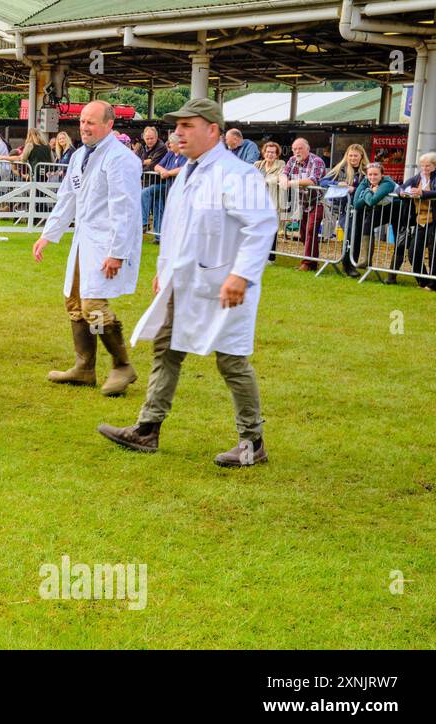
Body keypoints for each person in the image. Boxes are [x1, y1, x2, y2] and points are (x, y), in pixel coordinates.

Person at [98, 98, 277, 467]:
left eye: (187, 126)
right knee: (166, 348)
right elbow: (177, 229)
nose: (177, 133)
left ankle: (252, 442)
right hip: (186, 282)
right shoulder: (188, 172)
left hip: (225, 285)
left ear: (212, 130)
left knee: (231, 361)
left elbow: (261, 227)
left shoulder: (237, 174)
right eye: (176, 127)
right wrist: (164, 271)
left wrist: (241, 275)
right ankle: (147, 429)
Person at [33, 100, 143, 397]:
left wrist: (117, 252)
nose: (84, 127)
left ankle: (122, 365)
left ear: (109, 125)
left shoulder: (121, 159)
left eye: (91, 122)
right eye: (82, 121)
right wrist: (48, 235)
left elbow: (125, 209)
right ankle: (84, 367)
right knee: (74, 301)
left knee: (94, 306)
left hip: (107, 242)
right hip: (85, 241)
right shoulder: (80, 155)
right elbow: (68, 198)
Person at [398, 152, 436, 290]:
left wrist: (423, 193)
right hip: (421, 220)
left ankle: (434, 285)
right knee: (414, 252)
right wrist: (401, 192)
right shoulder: (417, 177)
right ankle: (423, 280)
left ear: (435, 165)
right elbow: (400, 187)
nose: (424, 169)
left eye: (428, 166)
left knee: (434, 254)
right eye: (422, 166)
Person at [320, 144, 369, 276]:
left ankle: (354, 263)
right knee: (349, 234)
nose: (353, 158)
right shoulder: (340, 169)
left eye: (355, 155)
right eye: (350, 155)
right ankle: (347, 265)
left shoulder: (367, 170)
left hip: (363, 209)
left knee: (358, 236)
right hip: (344, 209)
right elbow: (323, 182)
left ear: (361, 156)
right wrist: (338, 184)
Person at [280, 138, 327, 271]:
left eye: (300, 148)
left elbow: (313, 180)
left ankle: (307, 263)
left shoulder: (316, 161)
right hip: (301, 203)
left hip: (318, 201)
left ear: (308, 148)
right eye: (294, 149)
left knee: (311, 230)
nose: (297, 151)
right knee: (303, 232)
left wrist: (292, 183)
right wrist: (283, 179)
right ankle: (313, 263)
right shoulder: (292, 160)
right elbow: (284, 173)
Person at [349, 162, 397, 278]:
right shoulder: (366, 181)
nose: (372, 177)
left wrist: (366, 192)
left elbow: (371, 201)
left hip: (398, 209)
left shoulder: (388, 182)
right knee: (367, 224)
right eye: (370, 174)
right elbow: (356, 204)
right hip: (381, 208)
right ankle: (365, 260)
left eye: (376, 174)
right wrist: (369, 192)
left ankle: (392, 275)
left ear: (382, 175)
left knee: (398, 241)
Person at [143, 134, 186, 242]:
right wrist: (163, 171)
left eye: (171, 143)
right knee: (157, 205)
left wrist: (168, 173)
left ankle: (145, 223)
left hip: (177, 188)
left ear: (177, 144)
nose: (169, 145)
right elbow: (157, 166)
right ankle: (157, 235)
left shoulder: (185, 155)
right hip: (166, 186)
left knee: (145, 193)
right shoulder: (170, 154)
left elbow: (184, 168)